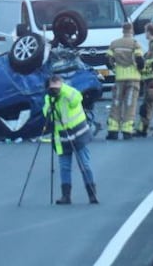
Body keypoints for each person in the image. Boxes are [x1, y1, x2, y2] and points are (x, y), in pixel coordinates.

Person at [44, 75, 97, 205]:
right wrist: (50, 102)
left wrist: (62, 89)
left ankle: (92, 194)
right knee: (64, 167)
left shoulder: (70, 92)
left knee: (84, 164)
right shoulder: (49, 98)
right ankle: (66, 196)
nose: (55, 90)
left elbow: (77, 99)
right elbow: (47, 114)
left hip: (78, 135)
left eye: (56, 88)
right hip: (61, 138)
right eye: (52, 88)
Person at [105, 22, 144, 140]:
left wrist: (114, 68)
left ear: (123, 30)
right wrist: (140, 70)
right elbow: (140, 60)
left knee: (116, 102)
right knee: (130, 104)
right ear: (132, 30)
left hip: (119, 79)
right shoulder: (135, 44)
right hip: (133, 79)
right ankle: (127, 130)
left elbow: (107, 60)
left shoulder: (114, 43)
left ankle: (113, 130)